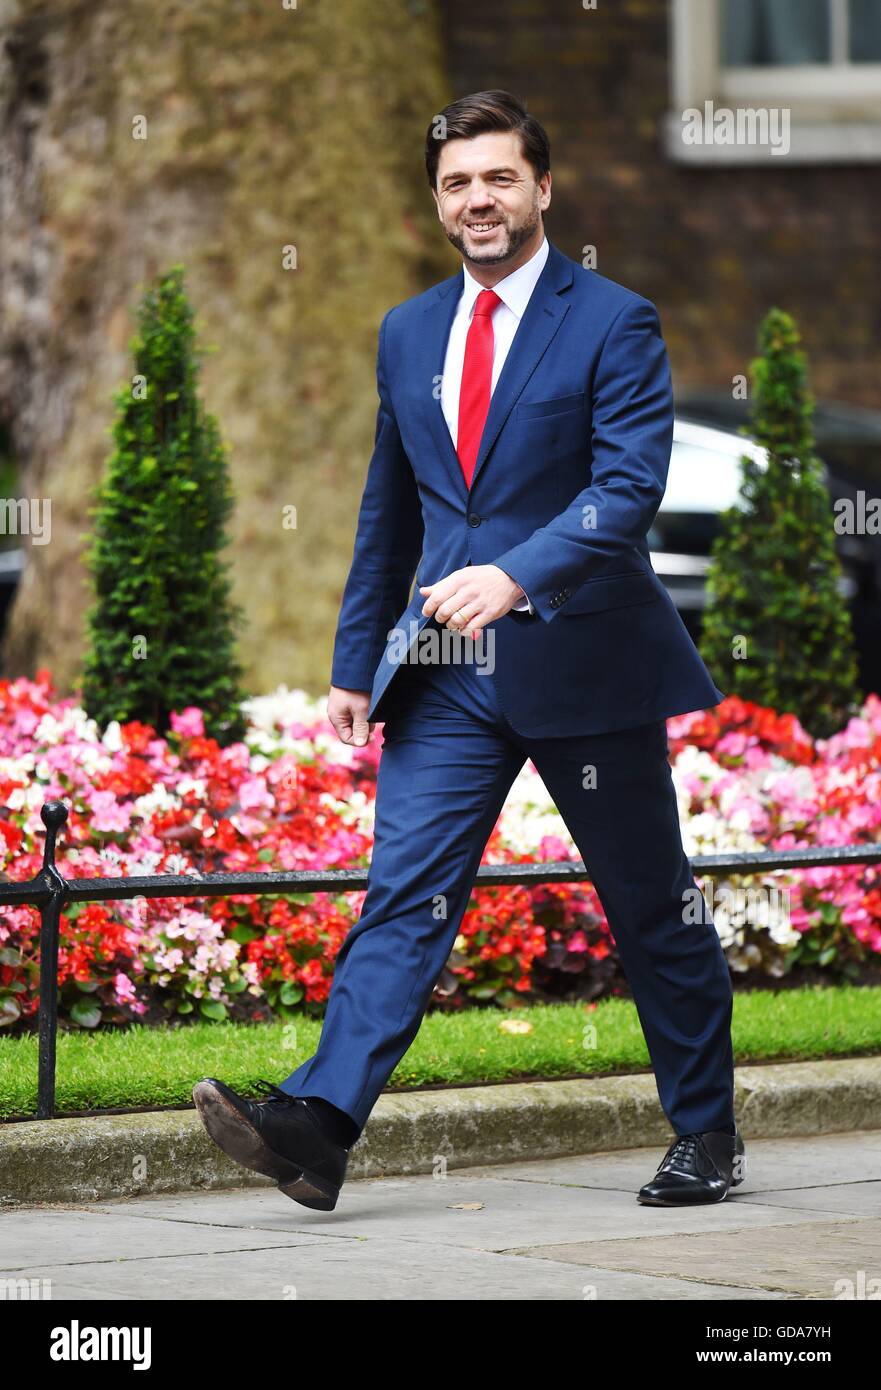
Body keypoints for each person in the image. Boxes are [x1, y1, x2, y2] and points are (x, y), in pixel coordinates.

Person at [194, 89, 745, 1212]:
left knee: (648, 904)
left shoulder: (612, 320)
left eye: (497, 177)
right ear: (437, 202)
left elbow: (627, 487)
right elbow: (388, 507)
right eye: (455, 182)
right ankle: (321, 1123)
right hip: (442, 667)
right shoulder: (407, 330)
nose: (476, 199)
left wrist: (517, 574)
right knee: (404, 892)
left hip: (581, 659)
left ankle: (707, 1132)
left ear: (542, 188)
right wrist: (357, 661)